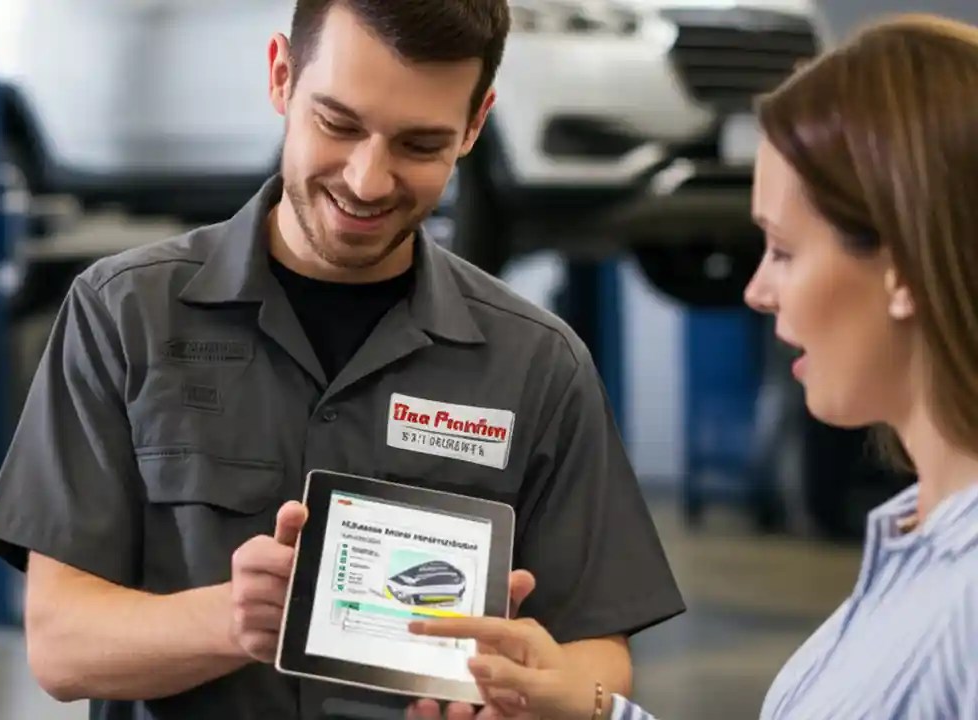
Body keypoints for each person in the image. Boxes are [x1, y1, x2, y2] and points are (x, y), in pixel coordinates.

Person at [0, 1, 687, 719]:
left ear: (475, 125)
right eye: (338, 125)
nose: (368, 181)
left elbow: (601, 660)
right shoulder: (124, 316)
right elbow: (61, 644)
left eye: (419, 145)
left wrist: (543, 699)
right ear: (282, 76)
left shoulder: (538, 365)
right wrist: (230, 620)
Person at [406, 12, 978, 720]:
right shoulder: (914, 539)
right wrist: (591, 713)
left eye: (786, 251)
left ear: (902, 267)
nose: (756, 289)